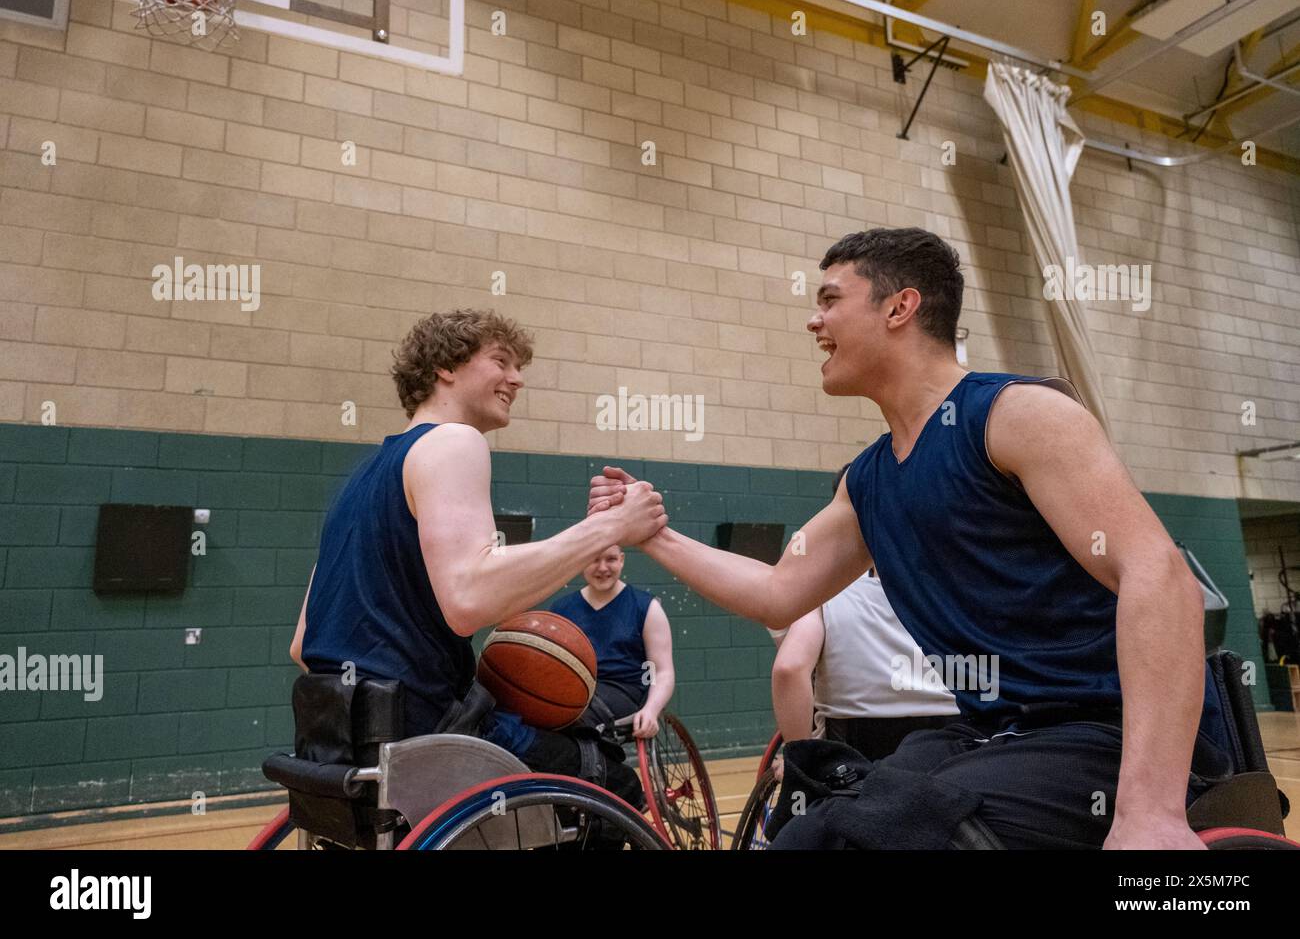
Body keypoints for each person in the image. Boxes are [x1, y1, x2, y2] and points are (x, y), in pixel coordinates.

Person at [589, 227, 1231, 849]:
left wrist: (1151, 809)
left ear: (900, 307)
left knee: (893, 832)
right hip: (991, 735)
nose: (814, 322)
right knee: (807, 828)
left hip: (1104, 734)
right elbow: (777, 593)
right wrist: (652, 533)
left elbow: (1161, 576)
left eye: (830, 299)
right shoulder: (866, 481)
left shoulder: (1018, 415)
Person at [288, 308, 665, 808]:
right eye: (502, 361)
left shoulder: (357, 485)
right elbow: (468, 598)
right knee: (613, 782)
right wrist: (611, 528)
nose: (518, 379)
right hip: (426, 737)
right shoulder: (453, 441)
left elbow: (301, 645)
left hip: (333, 743)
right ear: (446, 366)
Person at [770, 467, 958, 766]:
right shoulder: (964, 583)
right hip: (952, 748)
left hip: (855, 753)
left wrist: (800, 759)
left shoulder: (821, 590)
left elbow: (789, 668)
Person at [549, 545, 676, 740]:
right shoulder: (561, 610)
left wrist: (652, 709)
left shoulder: (646, 607)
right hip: (577, 690)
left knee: (575, 717)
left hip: (627, 691)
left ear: (622, 560)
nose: (602, 568)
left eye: (610, 559)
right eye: (594, 559)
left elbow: (662, 671)